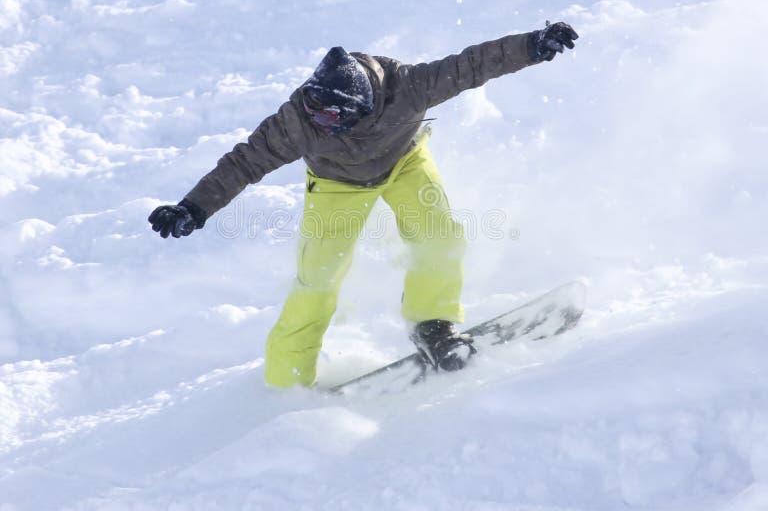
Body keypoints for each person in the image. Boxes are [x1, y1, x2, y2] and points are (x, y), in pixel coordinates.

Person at [148, 21, 579, 388]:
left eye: (334, 119)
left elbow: (472, 64)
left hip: (404, 162)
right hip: (337, 184)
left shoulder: (410, 87)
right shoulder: (299, 120)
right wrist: (193, 208)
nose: (323, 124)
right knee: (318, 277)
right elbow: (245, 162)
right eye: (317, 114)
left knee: (439, 236)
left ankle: (433, 326)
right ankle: (287, 377)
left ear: (363, 104)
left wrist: (531, 45)